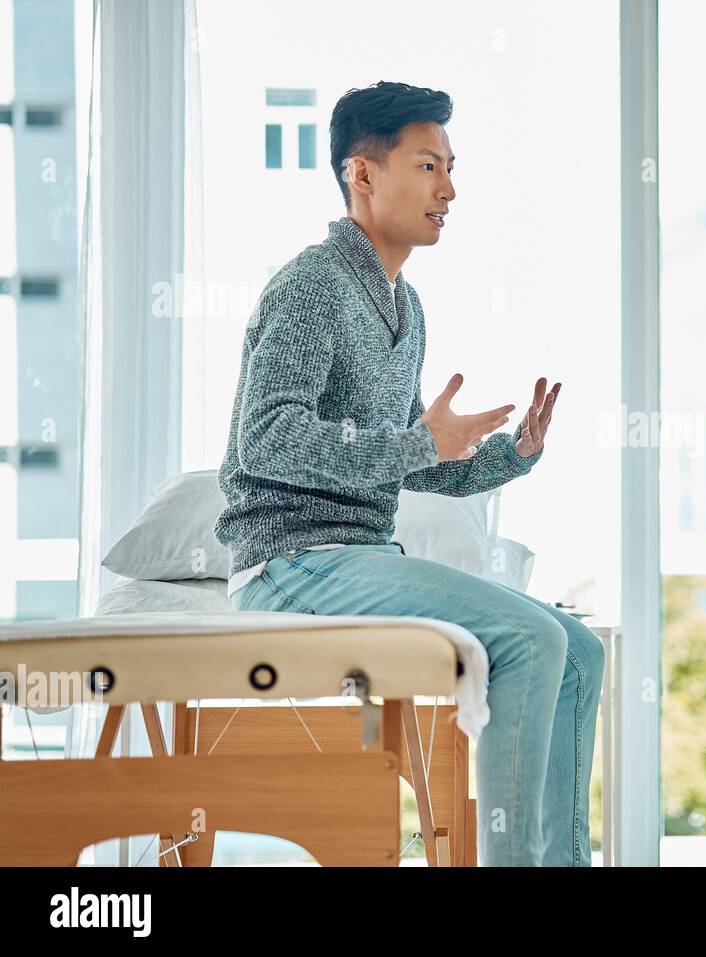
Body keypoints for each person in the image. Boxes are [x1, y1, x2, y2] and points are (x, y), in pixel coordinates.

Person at [214, 81, 603, 867]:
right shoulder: (311, 284)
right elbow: (266, 440)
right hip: (290, 561)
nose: (450, 190)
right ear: (363, 173)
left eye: (452, 168)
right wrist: (418, 444)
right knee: (527, 636)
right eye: (429, 166)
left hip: (359, 559)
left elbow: (420, 459)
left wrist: (511, 456)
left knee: (582, 650)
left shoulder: (406, 306)